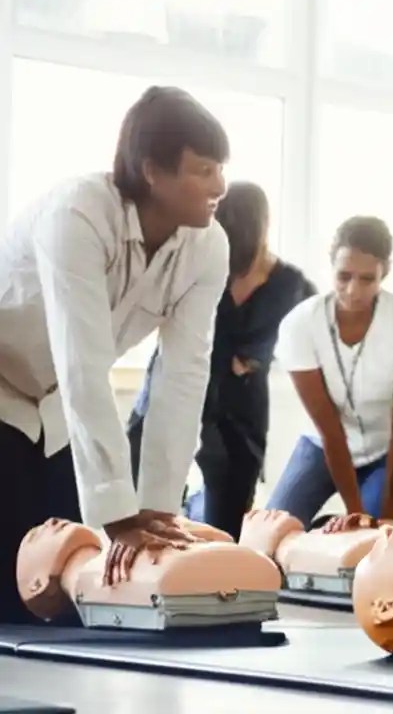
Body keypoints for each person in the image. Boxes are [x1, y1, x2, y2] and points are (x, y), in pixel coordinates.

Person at [0, 86, 230, 622]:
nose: (219, 185)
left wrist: (155, 507)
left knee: (55, 579)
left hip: (53, 403)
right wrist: (118, 513)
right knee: (10, 569)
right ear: (153, 171)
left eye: (221, 168)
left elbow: (183, 375)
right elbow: (83, 362)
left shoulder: (208, 246)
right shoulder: (77, 214)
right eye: (203, 170)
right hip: (6, 386)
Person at [126, 182, 315, 541]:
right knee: (141, 476)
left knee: (226, 511)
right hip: (180, 376)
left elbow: (311, 328)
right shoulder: (204, 261)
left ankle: (199, 525)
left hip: (240, 398)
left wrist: (259, 357)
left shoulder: (288, 283)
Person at [266, 216, 393, 528]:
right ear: (330, 265)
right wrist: (355, 510)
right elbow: (331, 431)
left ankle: (331, 527)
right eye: (343, 276)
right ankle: (327, 528)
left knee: (371, 540)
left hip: (388, 450)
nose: (353, 290)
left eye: (367, 279)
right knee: (272, 530)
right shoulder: (300, 324)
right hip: (322, 444)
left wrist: (380, 519)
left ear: (386, 270)